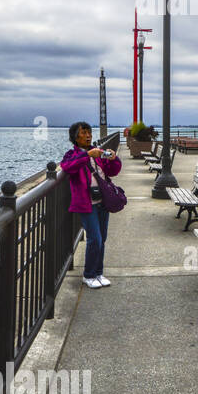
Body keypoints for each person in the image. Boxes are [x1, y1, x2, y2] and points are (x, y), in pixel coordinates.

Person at [61, 121, 123, 288]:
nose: (88, 136)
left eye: (89, 132)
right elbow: (67, 167)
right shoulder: (71, 154)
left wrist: (113, 158)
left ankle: (98, 273)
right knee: (94, 238)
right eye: (83, 133)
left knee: (102, 238)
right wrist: (87, 155)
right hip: (86, 204)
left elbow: (113, 172)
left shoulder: (97, 153)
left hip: (103, 201)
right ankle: (88, 275)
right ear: (75, 137)